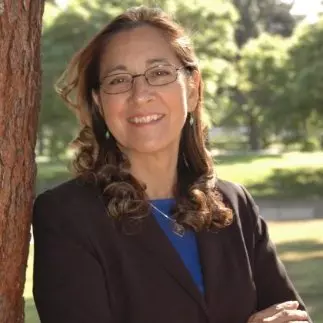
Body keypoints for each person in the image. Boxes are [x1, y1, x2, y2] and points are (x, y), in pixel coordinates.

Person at [32, 6, 311, 323]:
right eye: (119, 79)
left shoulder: (236, 206)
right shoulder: (67, 217)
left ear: (192, 88)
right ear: (98, 102)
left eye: (160, 73)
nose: (141, 95)